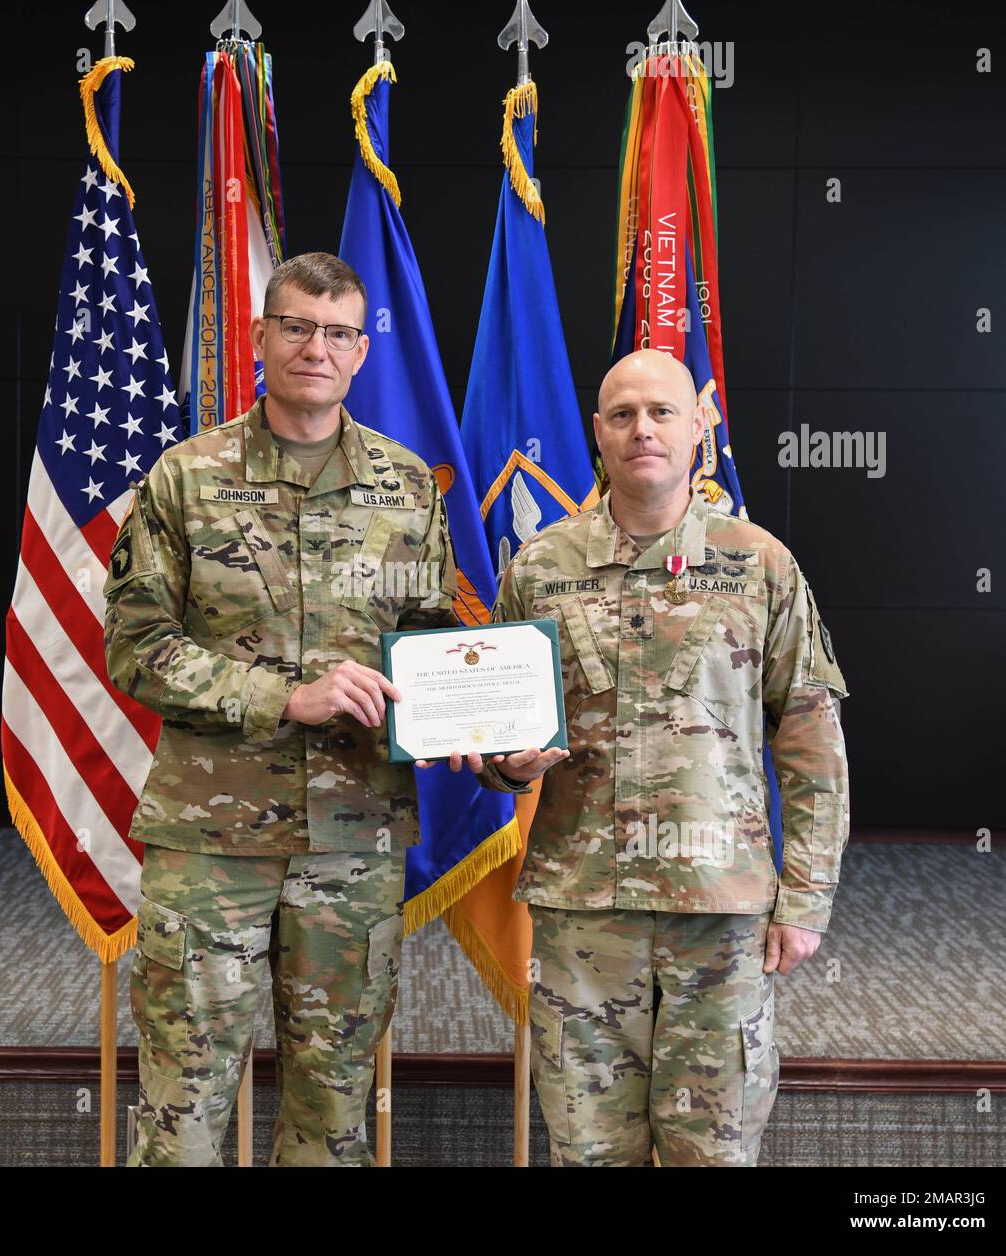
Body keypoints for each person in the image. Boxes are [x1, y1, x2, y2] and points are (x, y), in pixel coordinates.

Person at [429, 348, 850, 1166]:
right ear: (598, 433)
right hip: (584, 915)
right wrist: (501, 767)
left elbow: (811, 741)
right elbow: (498, 736)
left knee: (713, 1150)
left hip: (718, 912)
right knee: (587, 1150)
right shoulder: (540, 568)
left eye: (661, 412)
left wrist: (807, 898)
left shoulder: (760, 564)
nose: (642, 429)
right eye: (622, 415)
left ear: (699, 428)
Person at [104, 251, 458, 1166]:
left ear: (360, 350)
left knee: (333, 1117)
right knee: (182, 1113)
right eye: (296, 326)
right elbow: (135, 649)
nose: (317, 347)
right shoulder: (184, 478)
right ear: (260, 337)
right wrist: (283, 697)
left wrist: (478, 730)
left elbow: (429, 647)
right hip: (211, 842)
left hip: (353, 840)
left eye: (339, 332)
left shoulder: (409, 485)